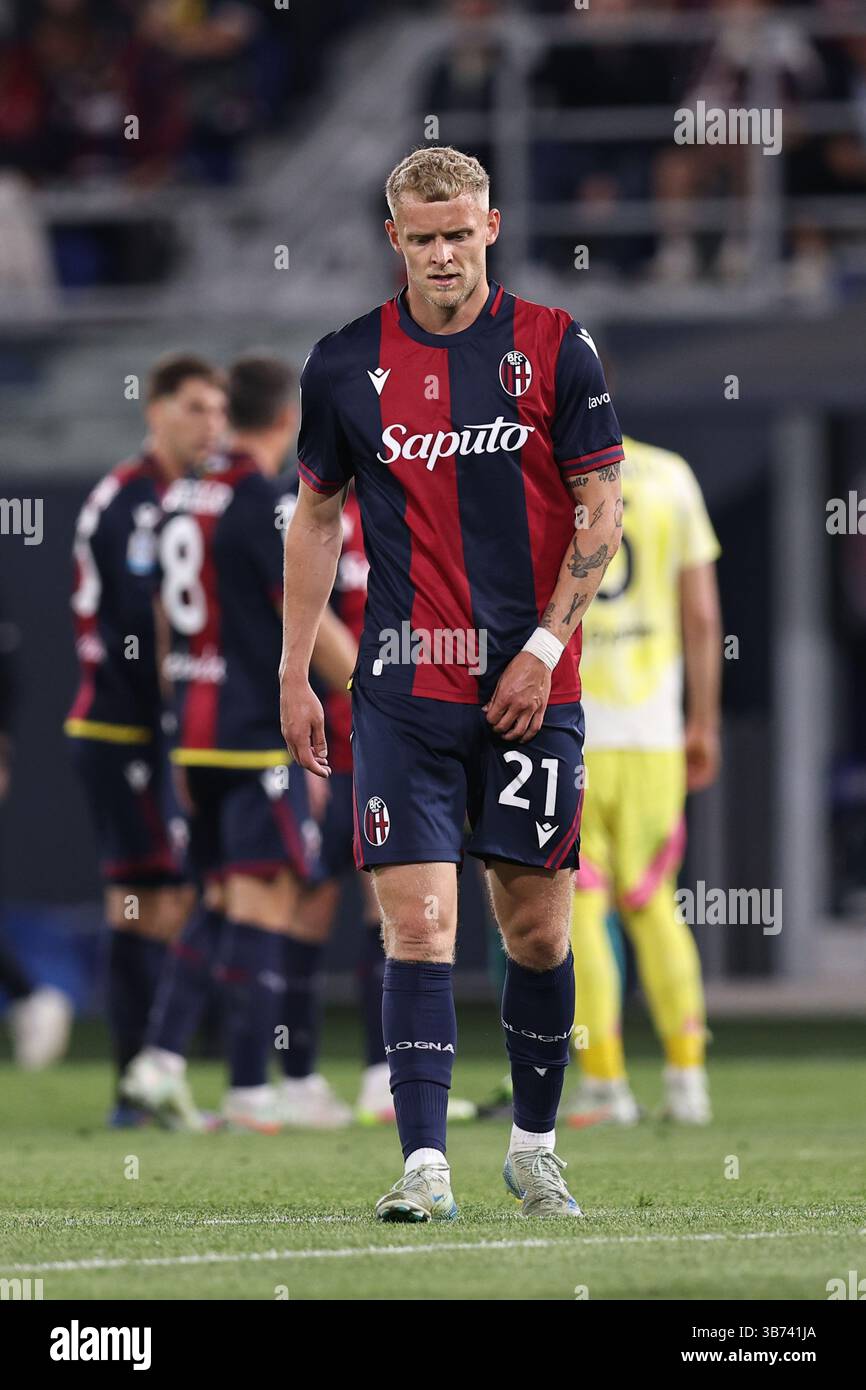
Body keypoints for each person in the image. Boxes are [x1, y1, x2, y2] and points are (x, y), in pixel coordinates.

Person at [280, 145, 624, 1220]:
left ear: (491, 226)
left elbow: (598, 514)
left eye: (456, 232)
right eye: (419, 236)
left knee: (536, 931)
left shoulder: (555, 347)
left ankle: (531, 1147)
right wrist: (294, 670)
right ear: (395, 239)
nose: (440, 252)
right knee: (418, 927)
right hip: (400, 688)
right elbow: (318, 516)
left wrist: (539, 648)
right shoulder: (343, 364)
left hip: (533, 691)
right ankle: (424, 1165)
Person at [122, 353, 356, 1131]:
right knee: (265, 903)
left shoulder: (183, 492)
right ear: (289, 420)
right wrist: (370, 684)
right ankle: (254, 1089)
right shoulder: (264, 502)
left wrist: (175, 707)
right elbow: (307, 608)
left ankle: (159, 1060)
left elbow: (160, 618)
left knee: (219, 897)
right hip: (255, 732)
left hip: (193, 729)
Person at [65, 353, 225, 1122]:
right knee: (138, 900)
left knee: (168, 898)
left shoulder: (188, 498)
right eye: (194, 407)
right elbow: (148, 626)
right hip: (119, 729)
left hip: (161, 731)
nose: (210, 424)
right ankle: (135, 1084)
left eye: (220, 410)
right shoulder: (128, 501)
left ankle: (152, 1076)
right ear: (154, 411)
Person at [567, 433, 722, 1126]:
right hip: (654, 730)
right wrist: (704, 721)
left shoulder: (540, 470)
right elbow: (701, 614)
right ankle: (687, 1080)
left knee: (580, 908)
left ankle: (605, 1086)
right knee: (653, 901)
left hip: (571, 727)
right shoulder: (671, 473)